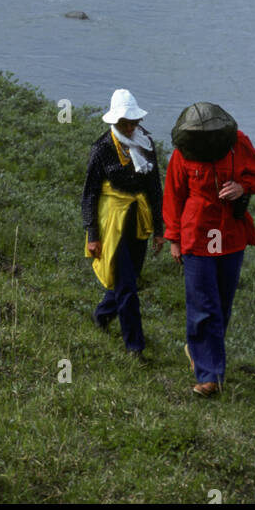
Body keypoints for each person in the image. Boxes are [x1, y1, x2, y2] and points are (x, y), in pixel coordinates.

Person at [163, 102, 255, 396]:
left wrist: (242, 187)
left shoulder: (239, 143)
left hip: (230, 235)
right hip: (197, 234)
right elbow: (174, 194)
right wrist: (173, 239)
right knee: (203, 304)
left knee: (222, 305)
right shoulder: (182, 152)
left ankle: (198, 350)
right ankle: (210, 375)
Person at [81, 89, 166, 358]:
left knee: (127, 279)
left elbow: (154, 187)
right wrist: (92, 234)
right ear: (114, 122)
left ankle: (102, 316)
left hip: (137, 220)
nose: (130, 128)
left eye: (133, 123)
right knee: (128, 286)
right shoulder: (102, 148)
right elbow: (90, 193)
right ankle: (135, 346)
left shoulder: (146, 144)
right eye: (124, 124)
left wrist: (160, 229)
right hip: (112, 223)